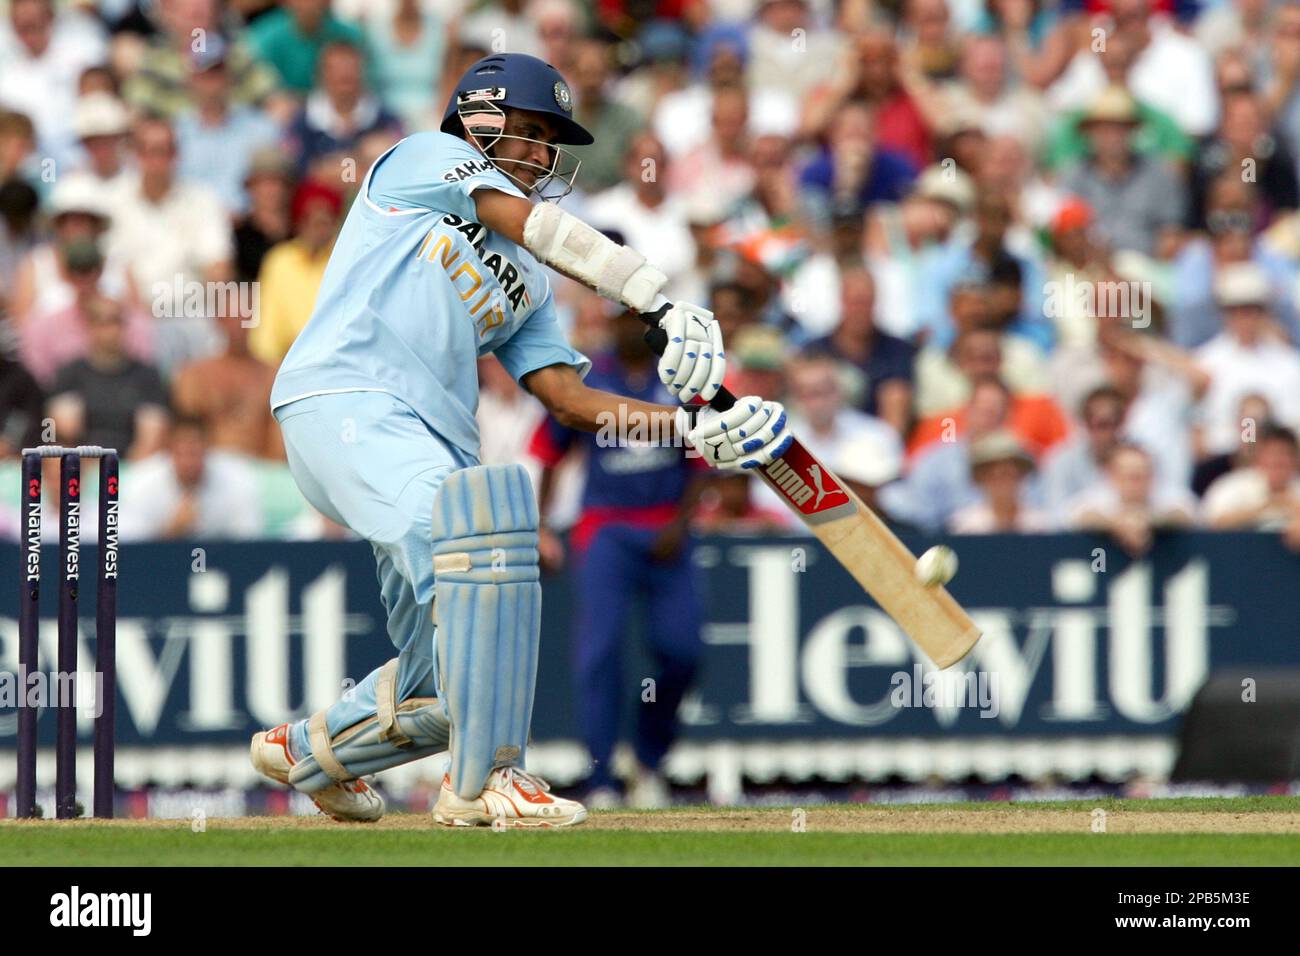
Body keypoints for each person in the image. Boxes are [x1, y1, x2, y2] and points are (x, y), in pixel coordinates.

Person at [248, 53, 790, 827]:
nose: (539, 153)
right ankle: (486, 782)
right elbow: (528, 220)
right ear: (483, 118)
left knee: (442, 681)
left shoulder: (531, 280)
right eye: (528, 132)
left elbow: (567, 401)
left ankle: (310, 750)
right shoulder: (426, 159)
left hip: (432, 444)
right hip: (345, 402)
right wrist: (655, 296)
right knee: (488, 555)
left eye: (549, 141)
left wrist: (692, 428)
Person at [530, 314, 711, 809]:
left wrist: (680, 523)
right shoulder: (589, 380)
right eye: (624, 317)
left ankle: (649, 759)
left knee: (683, 651)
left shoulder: (680, 380)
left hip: (667, 531)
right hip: (605, 526)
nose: (632, 327)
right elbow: (550, 450)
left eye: (641, 319)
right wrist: (542, 525)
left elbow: (701, 462)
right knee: (599, 653)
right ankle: (602, 776)